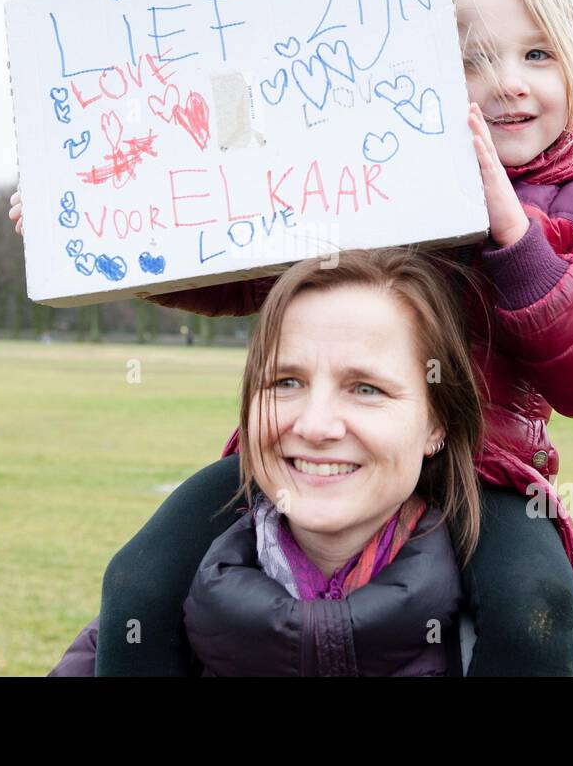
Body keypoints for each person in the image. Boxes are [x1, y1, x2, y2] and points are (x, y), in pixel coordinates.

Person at [14, 0, 573, 676]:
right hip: (312, 450)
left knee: (536, 604)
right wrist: (93, 230)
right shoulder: (368, 170)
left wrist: (514, 234)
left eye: (537, 55)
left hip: (488, 471)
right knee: (139, 578)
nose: (507, 84)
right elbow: (236, 265)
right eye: (471, 59)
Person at [52, 248, 484, 675]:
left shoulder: (491, 644)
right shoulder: (134, 635)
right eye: (286, 382)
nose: (315, 426)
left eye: (366, 388)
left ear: (436, 424)